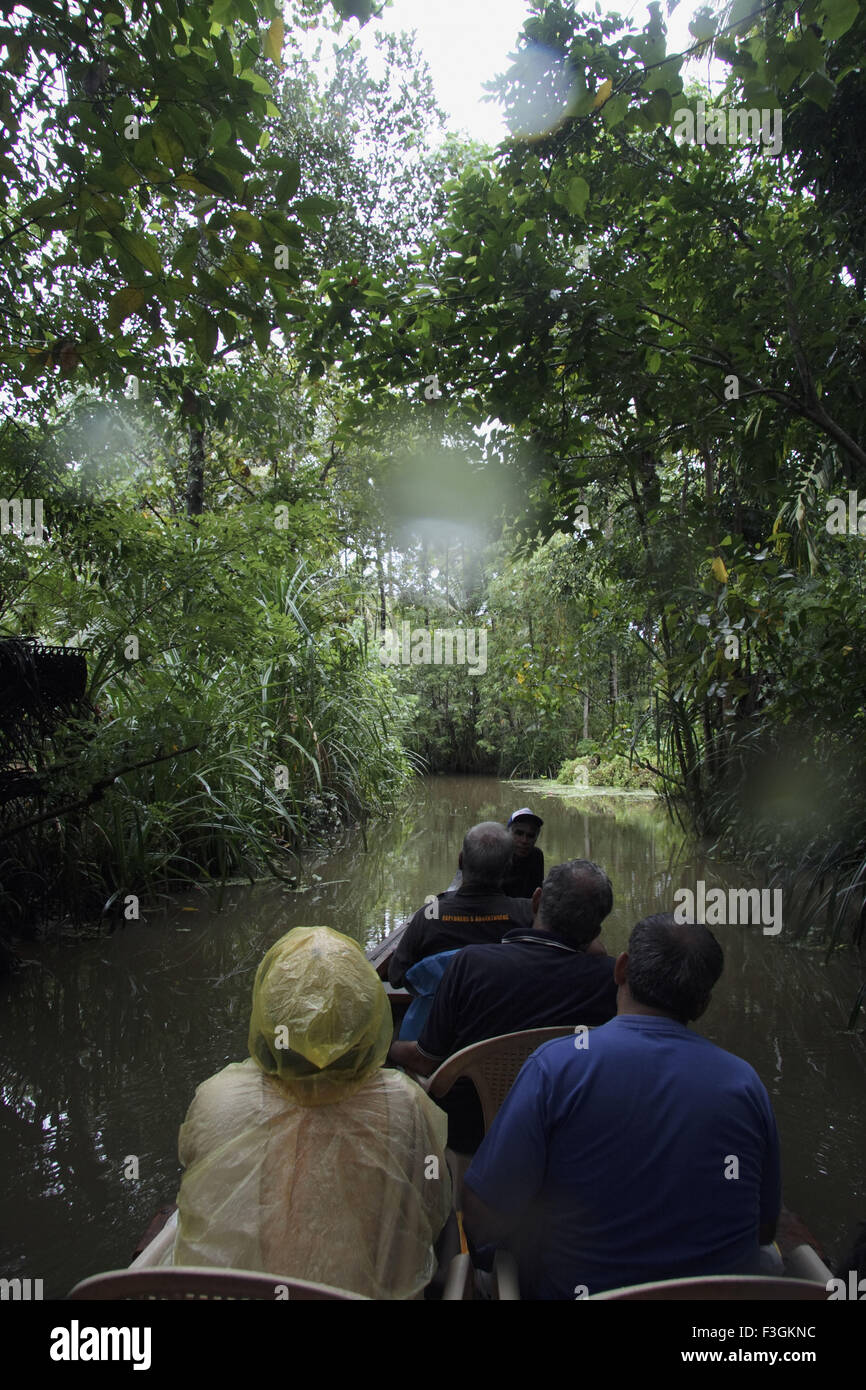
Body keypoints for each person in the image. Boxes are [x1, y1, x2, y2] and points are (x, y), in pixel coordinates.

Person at [462, 913, 782, 1298]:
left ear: (622, 968)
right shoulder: (744, 1083)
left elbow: (484, 1217)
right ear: (702, 1004)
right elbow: (764, 1229)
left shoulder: (557, 1066)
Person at [165, 927, 452, 1299]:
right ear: (366, 1016)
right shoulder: (404, 1103)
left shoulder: (217, 1097)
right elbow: (429, 1213)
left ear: (268, 1013)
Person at [388, 860, 617, 1078]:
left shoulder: (470, 964)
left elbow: (424, 1060)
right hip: (564, 1113)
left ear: (535, 902)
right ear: (595, 933)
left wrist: (387, 1048)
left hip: (470, 1112)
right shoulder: (613, 979)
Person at [387, 822, 533, 988]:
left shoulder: (429, 914)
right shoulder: (528, 913)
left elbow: (396, 978)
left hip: (442, 1013)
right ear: (508, 868)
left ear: (461, 860)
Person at [501, 808, 545, 898]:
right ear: (507, 833)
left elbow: (537, 893)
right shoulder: (496, 855)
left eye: (531, 835)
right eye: (519, 833)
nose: (524, 841)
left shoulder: (537, 855)